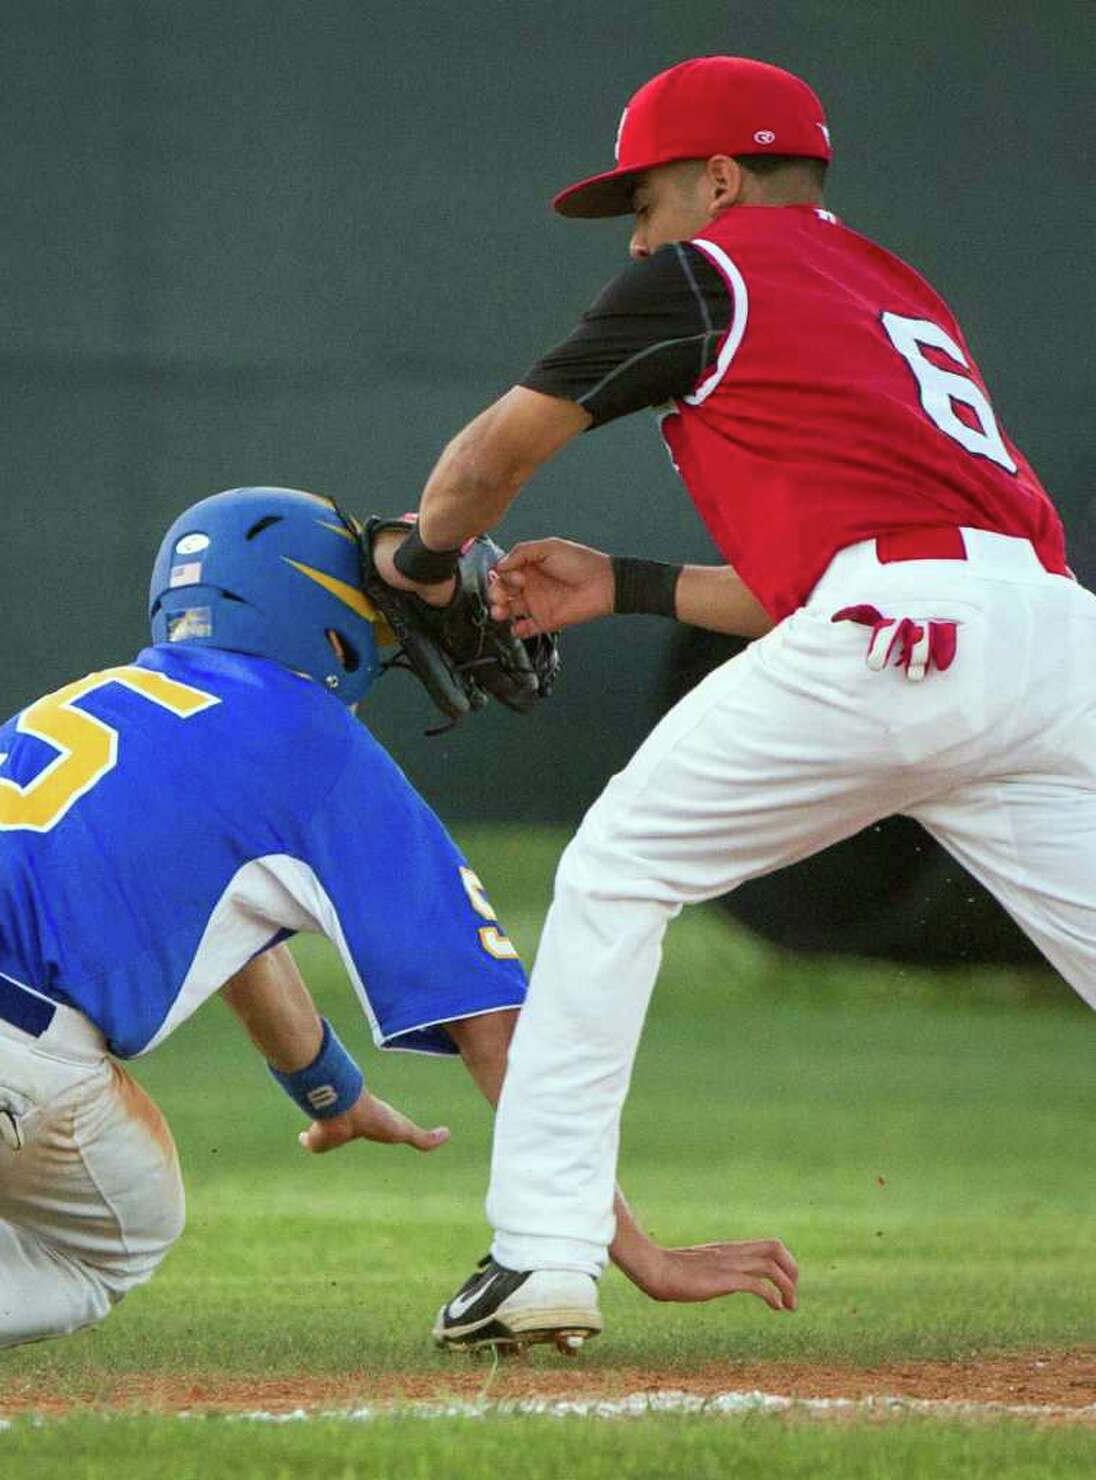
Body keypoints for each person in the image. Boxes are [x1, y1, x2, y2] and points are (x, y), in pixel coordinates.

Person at [364, 56, 1096, 1349]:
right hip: (1045, 637)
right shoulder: (890, 290)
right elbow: (846, 570)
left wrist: (420, 562)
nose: (636, 234)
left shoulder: (709, 272)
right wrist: (631, 583)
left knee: (614, 874)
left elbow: (493, 456)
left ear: (716, 177)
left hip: (908, 639)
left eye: (643, 200)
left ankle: (542, 1252)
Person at [0, 485, 795, 1362]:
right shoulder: (314, 742)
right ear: (309, 602)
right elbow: (496, 1027)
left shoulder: (113, 693)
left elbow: (231, 932)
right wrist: (635, 1250)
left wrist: (330, 1088)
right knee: (116, 1239)